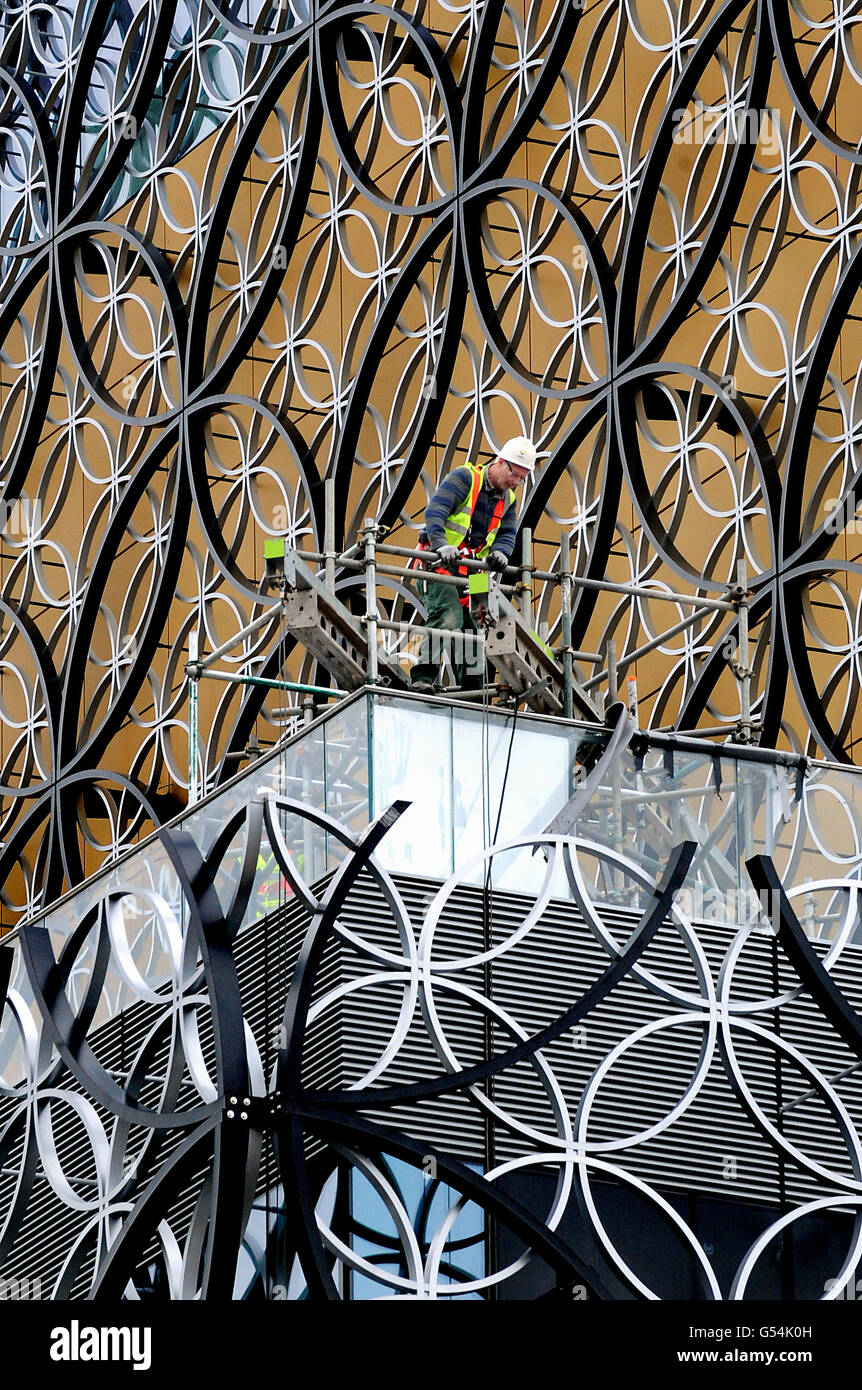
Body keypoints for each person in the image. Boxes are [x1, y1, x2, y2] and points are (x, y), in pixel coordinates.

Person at [410, 436, 537, 692]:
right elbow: (436, 511)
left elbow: (506, 534)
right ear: (500, 462)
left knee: (474, 634)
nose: (516, 482)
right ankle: (423, 677)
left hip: (472, 572)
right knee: (447, 618)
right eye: (515, 475)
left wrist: (501, 553)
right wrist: (440, 544)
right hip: (438, 564)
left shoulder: (508, 499)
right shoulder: (465, 478)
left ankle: (474, 693)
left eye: (522, 479)